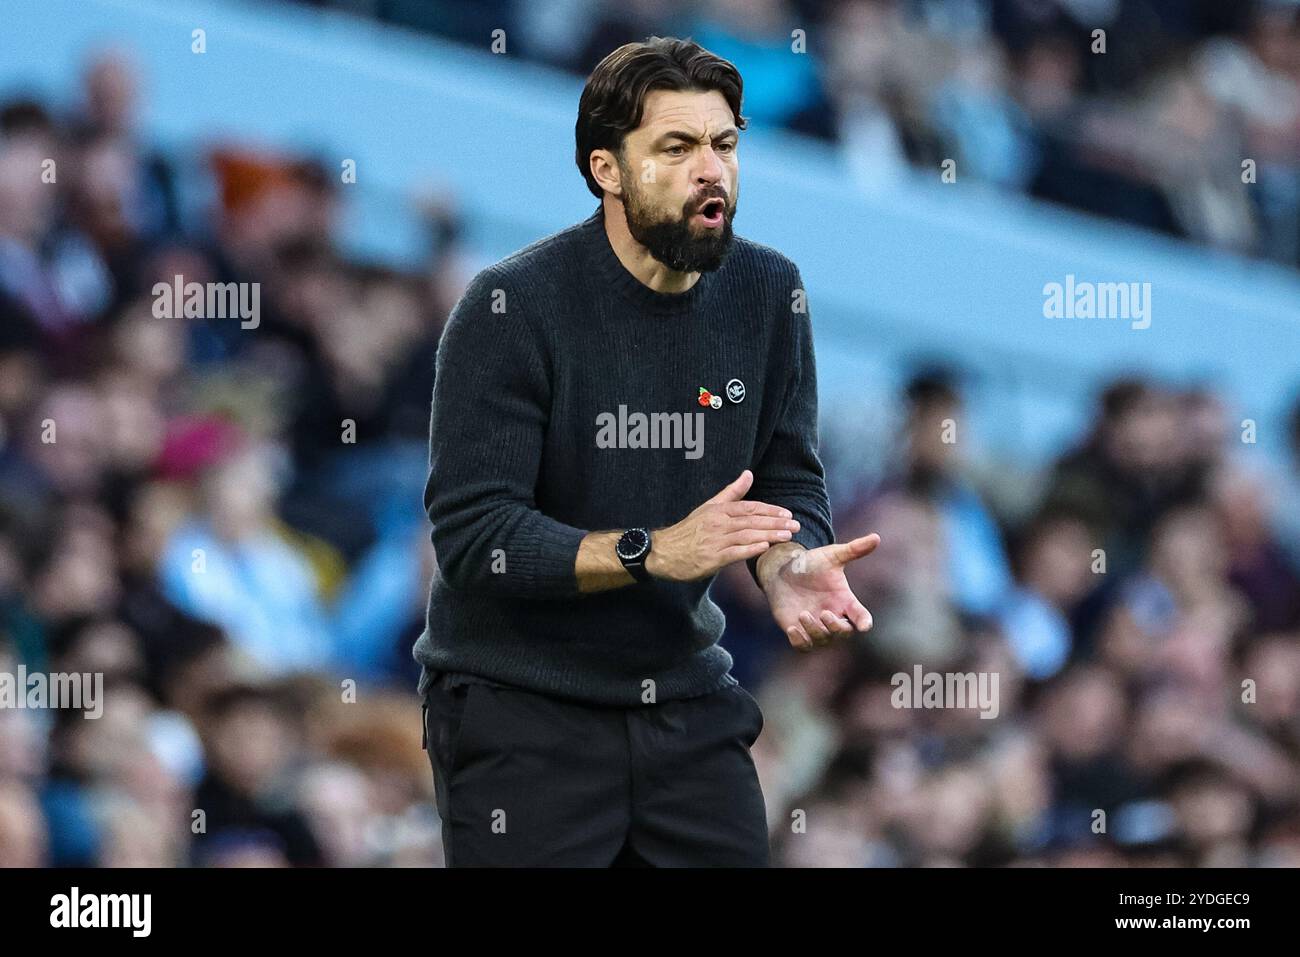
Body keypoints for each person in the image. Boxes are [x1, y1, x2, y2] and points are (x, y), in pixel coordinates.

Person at [415, 36, 879, 867]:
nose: (711, 170)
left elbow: (785, 476)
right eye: (677, 147)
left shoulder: (770, 291)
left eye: (724, 144)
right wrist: (652, 552)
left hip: (684, 699)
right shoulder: (510, 307)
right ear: (607, 170)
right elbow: (477, 538)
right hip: (521, 703)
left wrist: (784, 558)